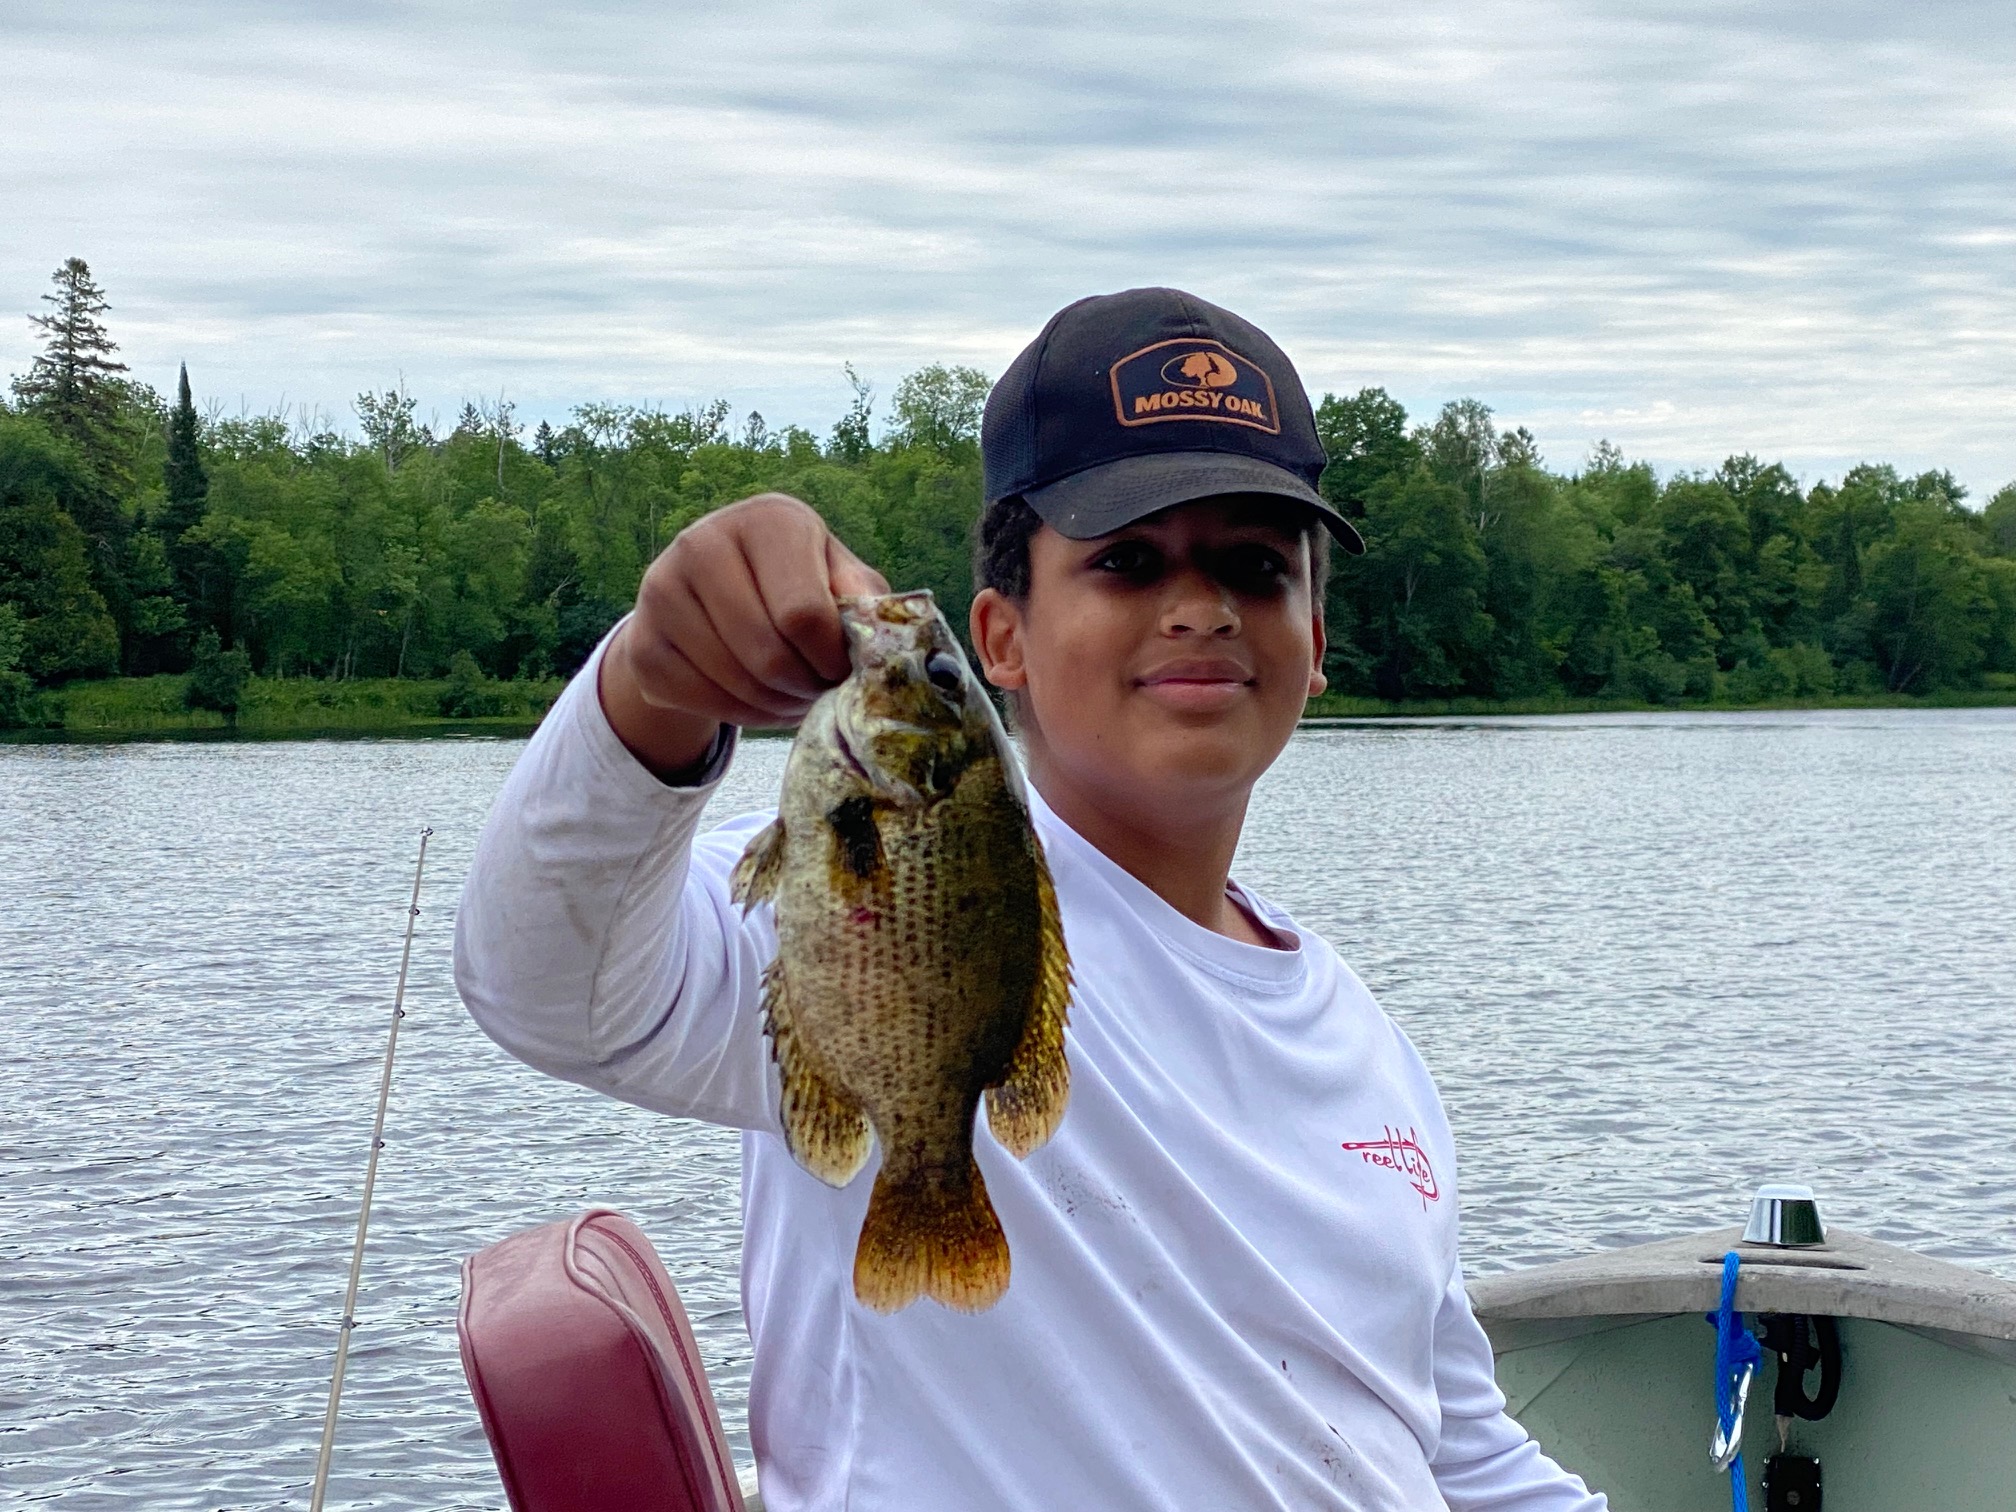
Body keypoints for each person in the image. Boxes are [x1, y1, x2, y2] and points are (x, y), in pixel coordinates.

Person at [455, 287, 1608, 1511]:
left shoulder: (1368, 1051)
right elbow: (548, 991)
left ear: (1316, 639)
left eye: (1257, 568)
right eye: (1127, 562)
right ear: (1000, 640)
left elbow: (1459, 1454)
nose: (1202, 606)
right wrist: (652, 686)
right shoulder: (880, 887)